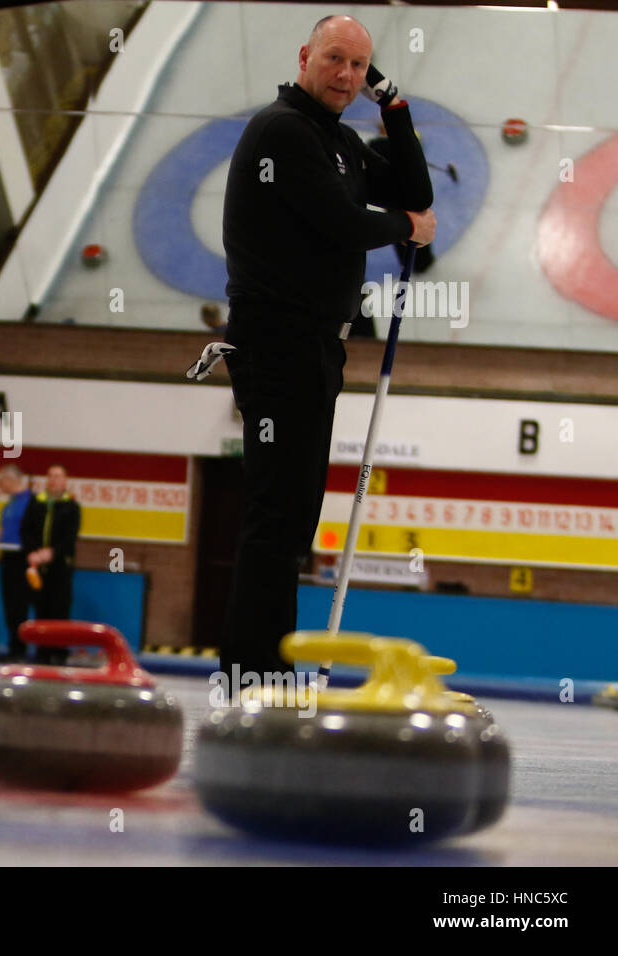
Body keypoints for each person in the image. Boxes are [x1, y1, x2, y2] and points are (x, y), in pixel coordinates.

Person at [218, 15, 434, 690]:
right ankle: (249, 677)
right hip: (276, 341)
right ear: (307, 56)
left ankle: (264, 673)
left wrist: (392, 104)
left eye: (358, 67)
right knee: (277, 518)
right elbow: (344, 225)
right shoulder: (282, 131)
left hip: (313, 347)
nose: (344, 76)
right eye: (334, 60)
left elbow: (414, 190)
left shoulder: (335, 138)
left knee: (292, 525)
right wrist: (406, 228)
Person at [348, 124, 438, 338]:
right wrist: (408, 226)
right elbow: (351, 223)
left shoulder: (354, 141)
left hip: (346, 291)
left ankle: (417, 258)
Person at [21, 465, 81, 665]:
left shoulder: (72, 507)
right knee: (41, 609)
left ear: (65, 481)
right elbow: (25, 530)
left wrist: (52, 553)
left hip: (60, 567)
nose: (54, 480)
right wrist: (33, 552)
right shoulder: (36, 503)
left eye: (58, 477)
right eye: (51, 476)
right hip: (38, 565)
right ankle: (42, 651)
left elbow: (70, 538)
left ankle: (58, 652)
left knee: (59, 610)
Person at [0, 463, 34, 662]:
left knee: (20, 606)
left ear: (12, 480)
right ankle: (13, 647)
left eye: (1, 481)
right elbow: (3, 532)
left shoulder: (31, 502)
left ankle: (21, 649)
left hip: (22, 559)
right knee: (10, 605)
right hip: (7, 558)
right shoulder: (7, 506)